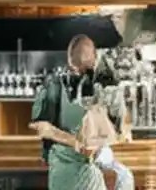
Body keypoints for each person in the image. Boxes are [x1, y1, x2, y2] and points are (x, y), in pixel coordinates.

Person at [30, 35, 134, 190]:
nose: (81, 74)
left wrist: (118, 133)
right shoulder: (55, 86)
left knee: (124, 177)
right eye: (76, 69)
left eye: (85, 69)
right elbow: (41, 127)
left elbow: (118, 127)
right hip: (66, 168)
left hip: (85, 166)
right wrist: (76, 143)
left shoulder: (101, 88)